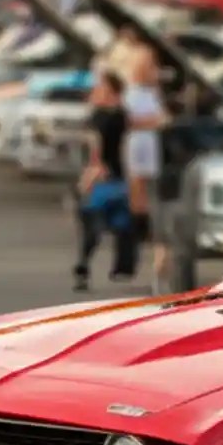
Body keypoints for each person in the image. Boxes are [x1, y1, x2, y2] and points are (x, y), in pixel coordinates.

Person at [74, 72, 137, 292]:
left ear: (110, 92)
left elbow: (95, 152)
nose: (93, 92)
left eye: (99, 88)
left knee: (95, 224)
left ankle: (85, 266)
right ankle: (121, 268)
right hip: (119, 180)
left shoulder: (102, 118)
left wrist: (89, 177)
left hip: (107, 180)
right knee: (121, 225)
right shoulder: (120, 115)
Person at [122, 48, 169, 295]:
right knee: (139, 205)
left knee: (154, 205)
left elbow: (163, 117)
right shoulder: (131, 94)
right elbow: (129, 121)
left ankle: (155, 263)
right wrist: (154, 121)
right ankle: (137, 256)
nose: (154, 72)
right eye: (149, 67)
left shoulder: (152, 93)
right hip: (137, 150)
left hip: (152, 151)